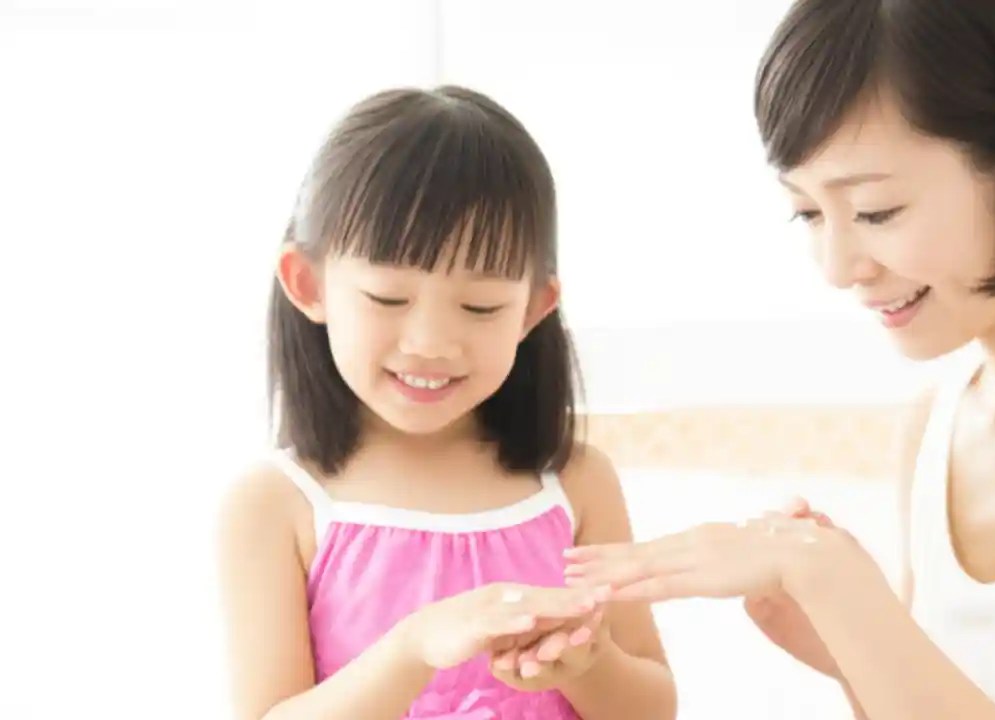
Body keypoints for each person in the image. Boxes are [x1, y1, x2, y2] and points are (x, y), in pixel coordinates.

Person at [562, 1, 995, 718]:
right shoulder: (937, 422)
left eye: (875, 212)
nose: (839, 267)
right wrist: (847, 650)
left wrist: (844, 595)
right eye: (809, 214)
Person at [216, 86, 676, 720]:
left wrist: (590, 663)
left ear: (532, 310)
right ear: (309, 285)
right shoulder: (276, 503)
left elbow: (652, 710)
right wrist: (411, 651)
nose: (431, 342)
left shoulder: (576, 483)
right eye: (387, 298)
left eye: (480, 307)